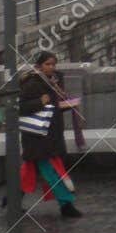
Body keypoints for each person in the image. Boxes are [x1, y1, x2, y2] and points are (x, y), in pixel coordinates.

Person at [17, 50, 84, 219]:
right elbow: (21, 107)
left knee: (28, 172)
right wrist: (40, 101)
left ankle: (11, 201)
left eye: (53, 64)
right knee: (53, 171)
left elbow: (53, 107)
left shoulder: (54, 81)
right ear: (39, 66)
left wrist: (68, 105)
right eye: (48, 64)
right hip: (38, 137)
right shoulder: (31, 83)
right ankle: (66, 205)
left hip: (51, 134)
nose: (51, 67)